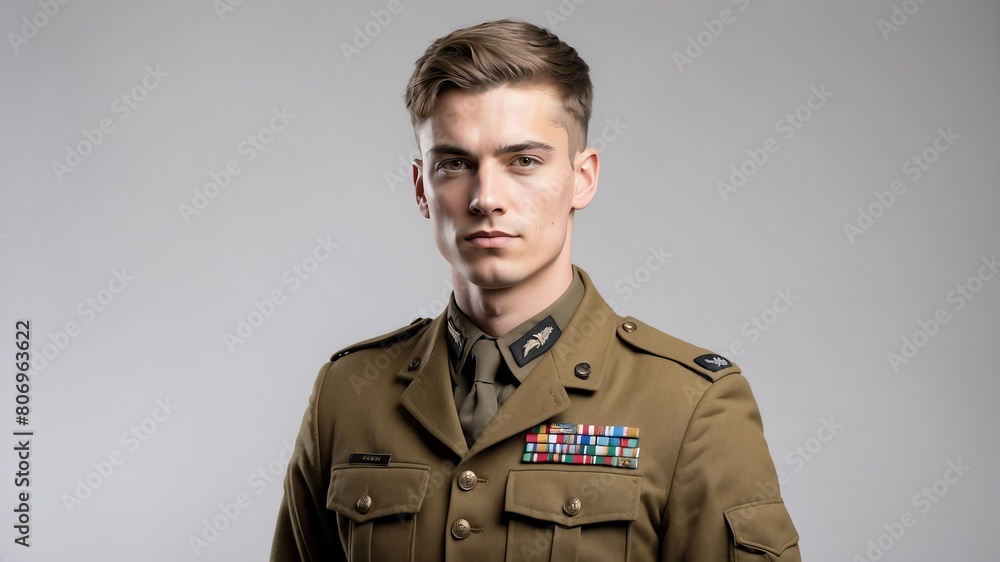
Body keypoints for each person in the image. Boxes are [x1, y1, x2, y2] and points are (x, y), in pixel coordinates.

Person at [271, 18, 800, 561]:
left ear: (583, 177)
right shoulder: (346, 395)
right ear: (421, 188)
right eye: (454, 163)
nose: (486, 197)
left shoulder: (691, 405)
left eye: (523, 161)